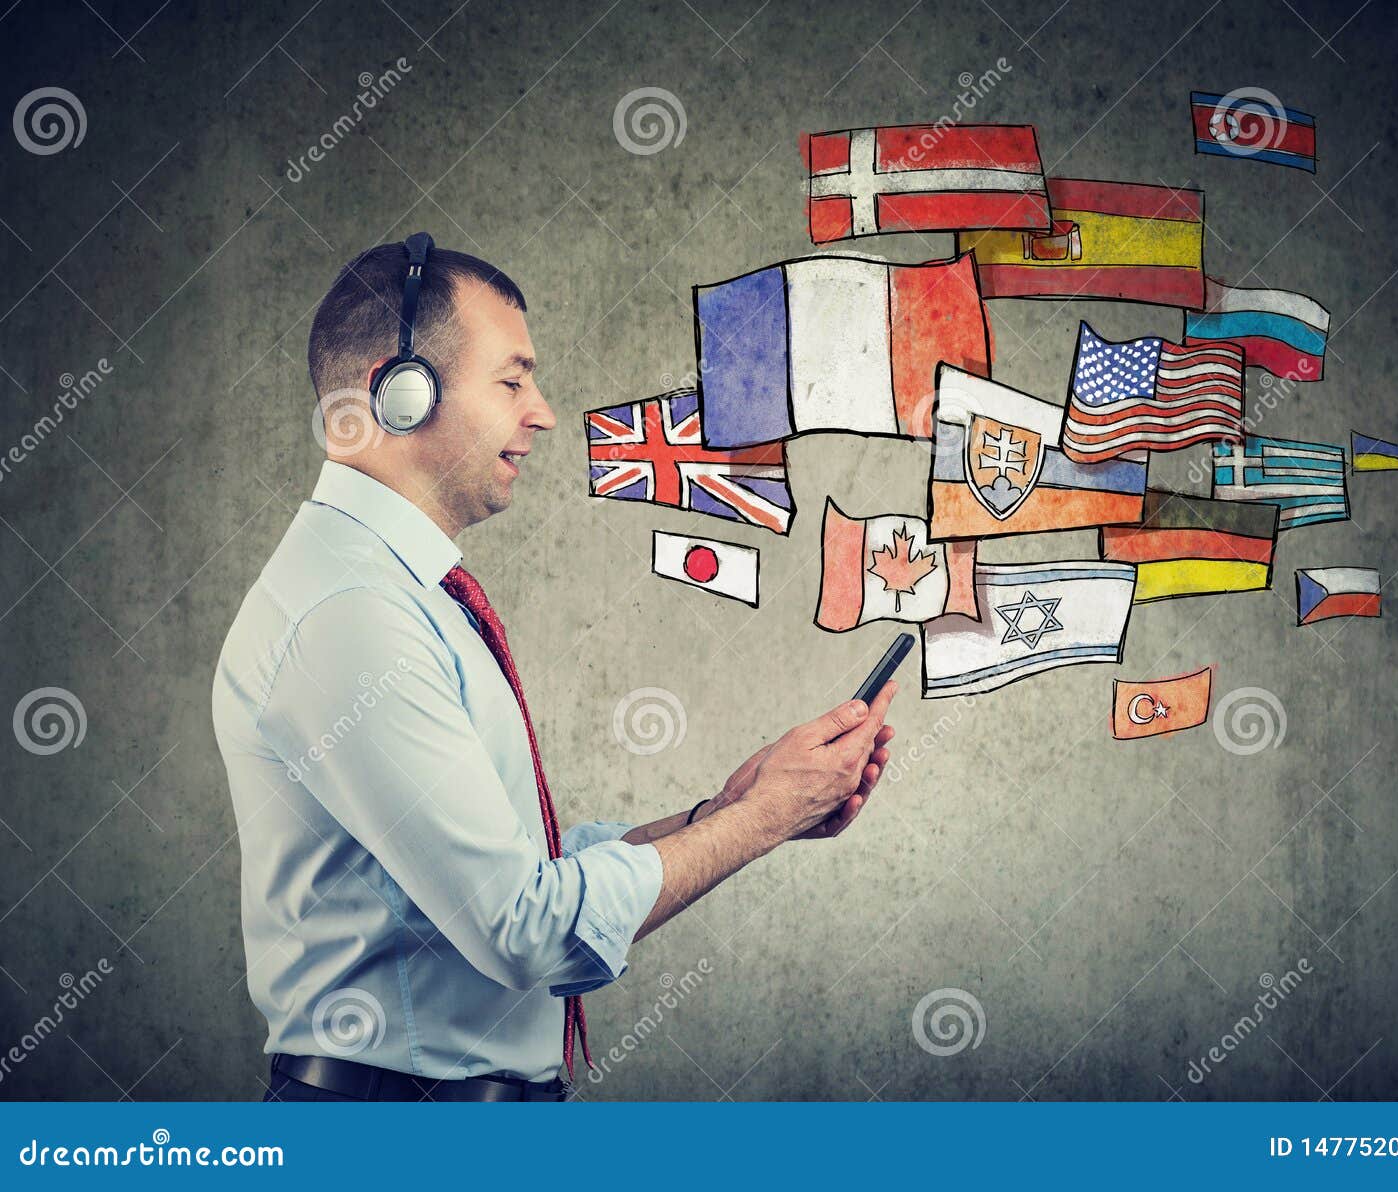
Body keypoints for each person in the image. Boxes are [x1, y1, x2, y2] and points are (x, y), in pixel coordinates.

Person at [211, 235, 896, 1102]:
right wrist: (759, 820)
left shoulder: (398, 594)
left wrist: (719, 813)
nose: (542, 412)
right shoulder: (353, 618)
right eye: (512, 380)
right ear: (400, 390)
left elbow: (516, 878)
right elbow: (524, 930)